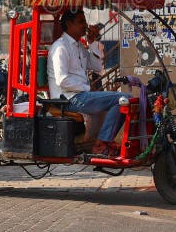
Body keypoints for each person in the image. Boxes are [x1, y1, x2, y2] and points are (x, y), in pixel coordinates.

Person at [47, 9, 129, 156]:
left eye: (84, 21)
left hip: (80, 95)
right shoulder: (60, 47)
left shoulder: (78, 46)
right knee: (123, 99)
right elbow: (62, 80)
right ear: (69, 24)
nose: (85, 25)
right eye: (81, 22)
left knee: (124, 100)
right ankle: (102, 143)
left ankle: (102, 141)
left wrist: (93, 42)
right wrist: (87, 87)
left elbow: (97, 67)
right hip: (69, 98)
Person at [86, 23, 105, 91]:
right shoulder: (99, 44)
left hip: (96, 67)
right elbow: (102, 55)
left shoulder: (96, 44)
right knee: (97, 82)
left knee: (96, 82)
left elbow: (99, 55)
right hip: (97, 67)